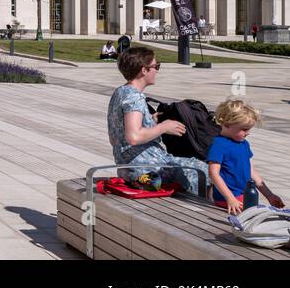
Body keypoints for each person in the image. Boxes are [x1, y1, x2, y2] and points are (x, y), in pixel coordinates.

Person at [106, 46, 200, 195]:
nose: (157, 70)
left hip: (127, 168)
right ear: (144, 70)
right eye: (156, 66)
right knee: (202, 169)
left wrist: (150, 122)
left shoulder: (119, 92)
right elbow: (133, 137)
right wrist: (164, 127)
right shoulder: (134, 97)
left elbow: (114, 139)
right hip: (147, 168)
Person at [207, 99, 283, 214]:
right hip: (227, 198)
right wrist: (230, 198)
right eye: (244, 129)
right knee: (259, 216)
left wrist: (269, 195)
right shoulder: (219, 144)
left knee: (264, 215)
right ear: (227, 124)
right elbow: (213, 174)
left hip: (243, 195)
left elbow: (251, 171)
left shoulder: (244, 144)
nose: (248, 133)